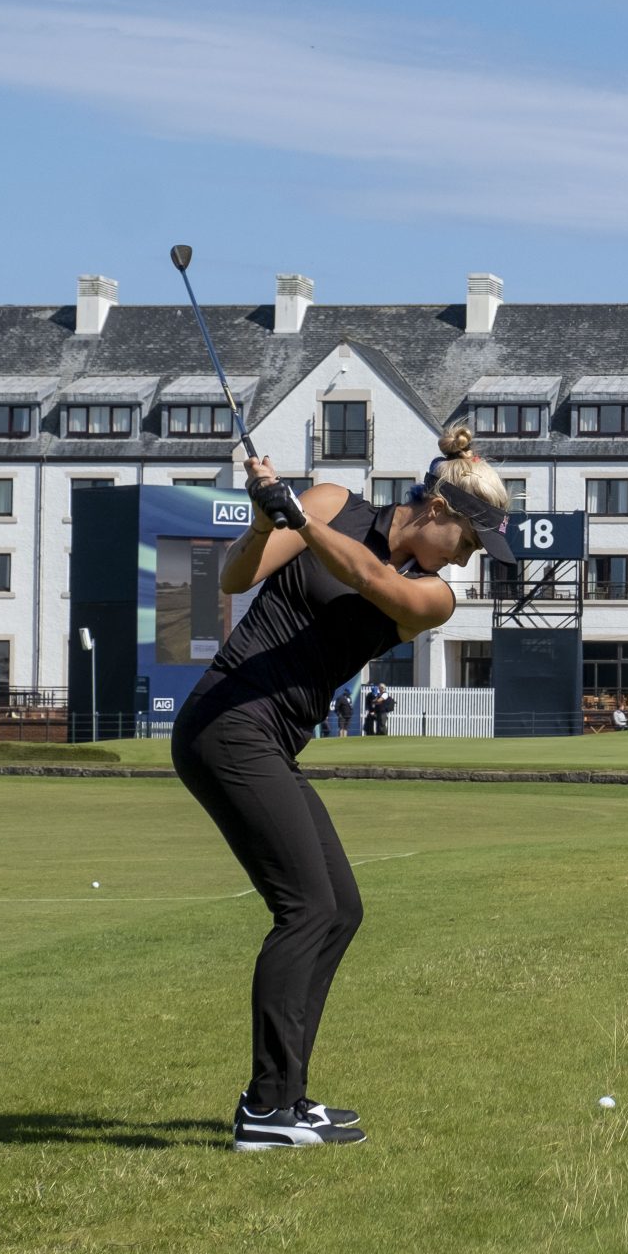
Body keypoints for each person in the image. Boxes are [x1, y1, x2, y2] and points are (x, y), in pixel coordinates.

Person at [172, 426, 510, 1150]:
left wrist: (293, 515)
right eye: (471, 540)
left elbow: (366, 578)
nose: (470, 558)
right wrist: (268, 517)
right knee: (305, 910)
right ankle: (267, 1109)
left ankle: (287, 1099)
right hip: (226, 724)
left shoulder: (432, 596)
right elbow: (236, 580)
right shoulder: (329, 501)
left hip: (269, 739)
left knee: (340, 910)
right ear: (438, 509)